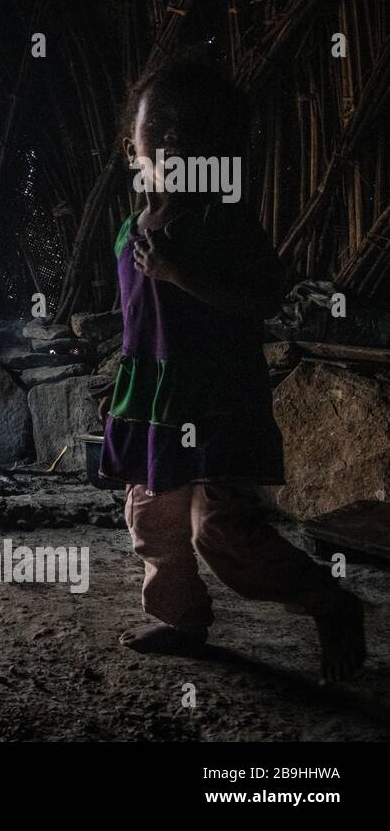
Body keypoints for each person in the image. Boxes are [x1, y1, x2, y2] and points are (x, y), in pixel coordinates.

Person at [100, 47, 365, 684]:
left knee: (219, 529)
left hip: (216, 396)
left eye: (143, 149)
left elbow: (263, 298)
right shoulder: (134, 226)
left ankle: (330, 603)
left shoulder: (223, 222)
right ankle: (180, 619)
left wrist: (177, 273)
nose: (134, 161)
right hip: (156, 397)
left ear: (184, 155)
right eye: (135, 149)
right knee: (152, 516)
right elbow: (140, 315)